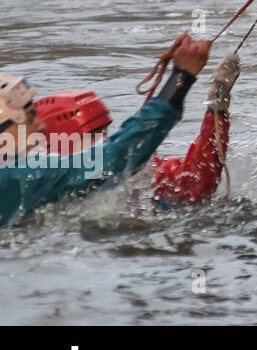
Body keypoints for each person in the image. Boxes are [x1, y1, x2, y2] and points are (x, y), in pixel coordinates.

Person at [0, 33, 211, 226]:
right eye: (29, 118)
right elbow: (115, 156)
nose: (42, 126)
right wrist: (181, 77)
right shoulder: (19, 176)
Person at [31, 52, 241, 205]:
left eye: (104, 131)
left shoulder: (135, 170)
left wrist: (216, 109)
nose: (105, 140)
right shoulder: (39, 188)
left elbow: (196, 184)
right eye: (93, 135)